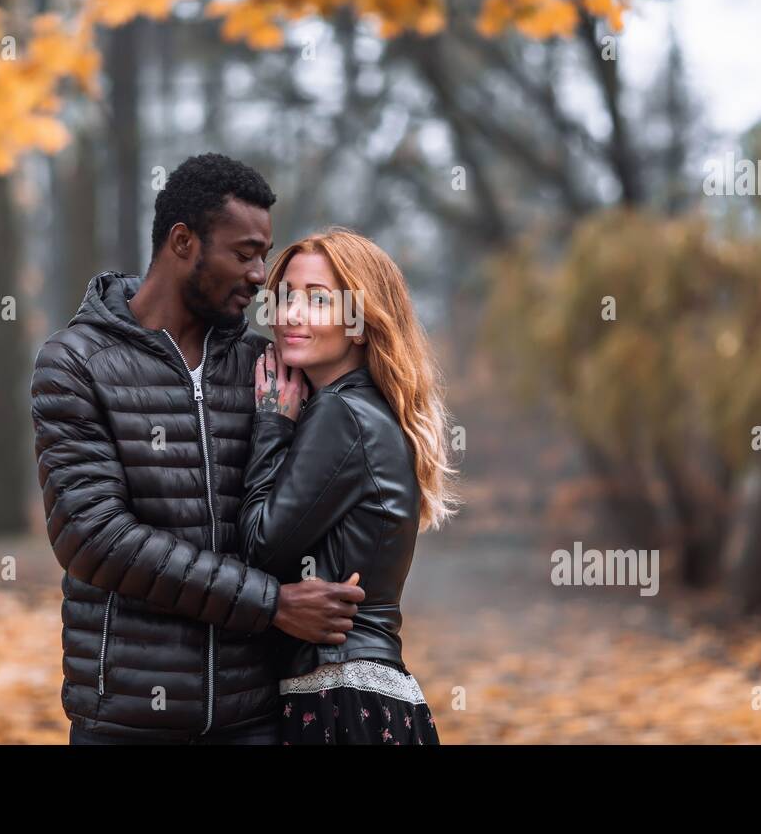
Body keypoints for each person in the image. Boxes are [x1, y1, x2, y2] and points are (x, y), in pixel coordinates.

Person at [30, 154, 366, 744]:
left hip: (256, 717)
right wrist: (271, 605)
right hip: (127, 720)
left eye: (264, 254)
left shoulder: (269, 368)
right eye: (245, 253)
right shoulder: (75, 364)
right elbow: (94, 538)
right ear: (183, 242)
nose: (261, 274)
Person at [238, 227, 458, 744]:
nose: (291, 314)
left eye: (317, 300)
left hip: (339, 700)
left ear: (360, 324)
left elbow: (257, 545)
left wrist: (271, 423)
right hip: (370, 699)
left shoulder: (341, 413)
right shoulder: (369, 410)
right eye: (286, 296)